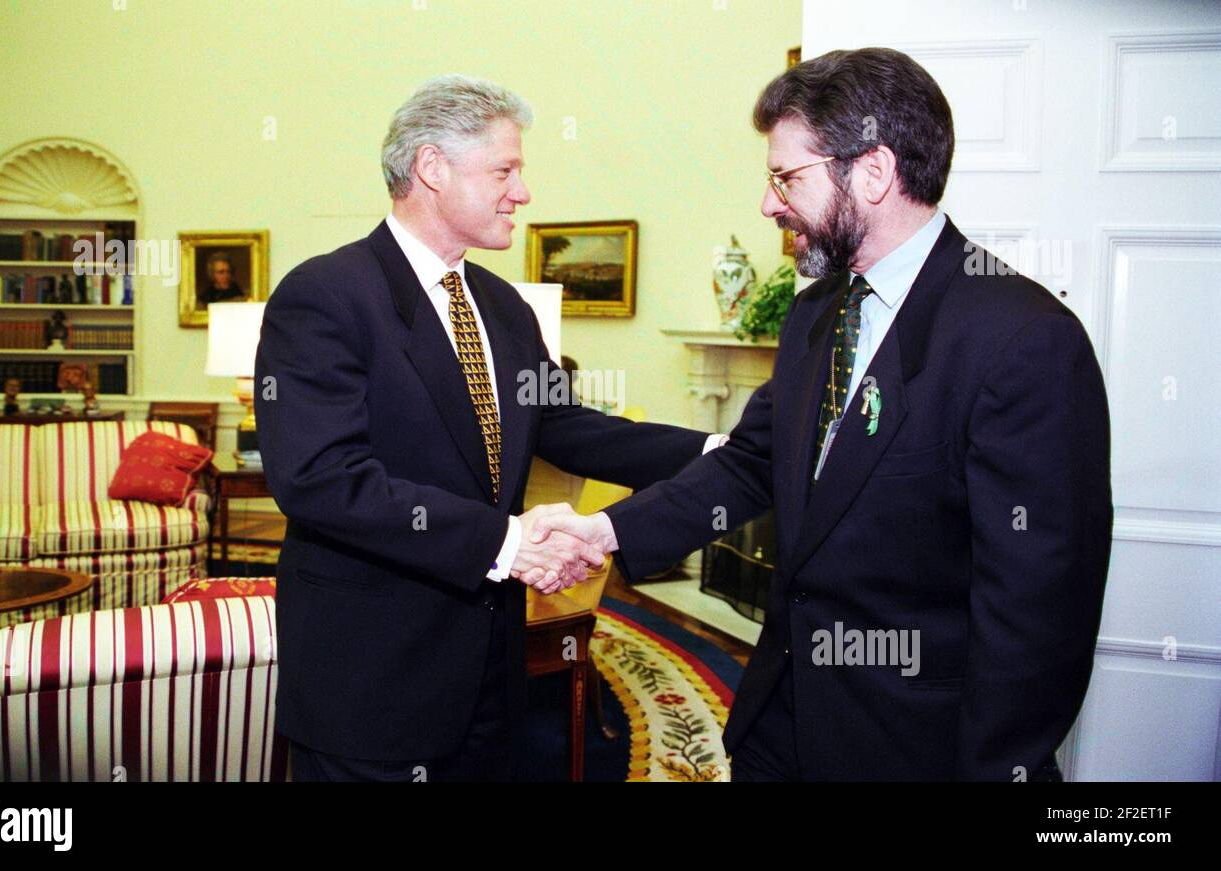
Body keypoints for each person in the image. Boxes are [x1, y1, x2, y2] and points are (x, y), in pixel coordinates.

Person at [534, 48, 1113, 781]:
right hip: (781, 717)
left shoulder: (1023, 339)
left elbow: (1038, 616)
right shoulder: (814, 315)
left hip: (913, 746)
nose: (769, 203)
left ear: (872, 171)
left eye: (786, 177)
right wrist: (606, 528)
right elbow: (749, 465)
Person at [253, 75, 721, 782]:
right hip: (372, 674)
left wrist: (717, 452)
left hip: (490, 667)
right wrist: (506, 541)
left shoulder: (503, 306)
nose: (523, 193)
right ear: (433, 169)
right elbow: (320, 478)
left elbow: (562, 425)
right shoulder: (325, 294)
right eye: (505, 169)